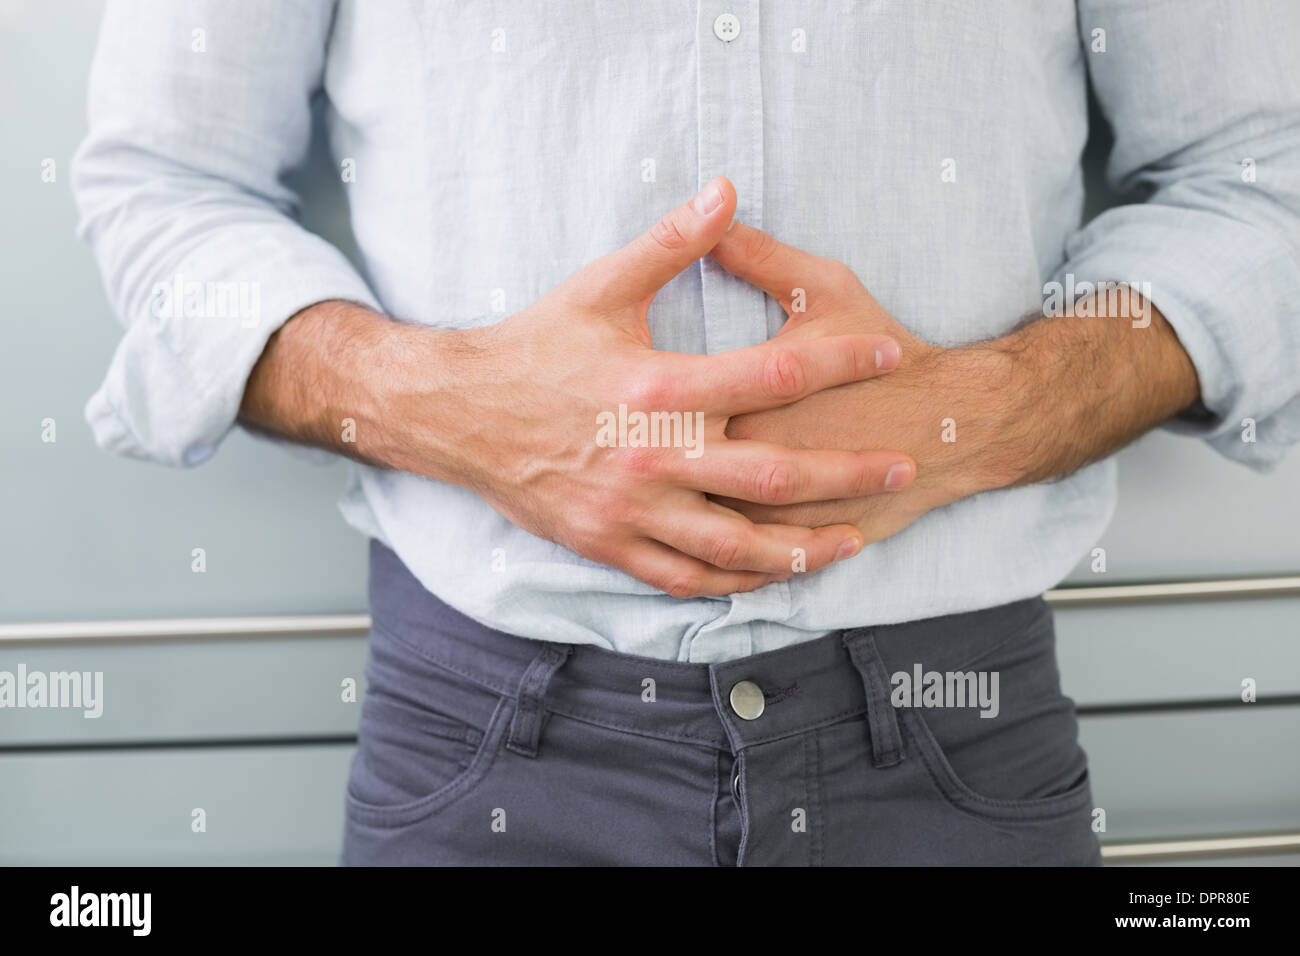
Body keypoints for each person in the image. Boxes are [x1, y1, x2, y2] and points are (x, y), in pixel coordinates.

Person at [73, 1, 1300, 865]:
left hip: (950, 723)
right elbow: (168, 181)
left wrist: (970, 418)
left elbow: (1263, 178)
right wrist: (467, 410)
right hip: (486, 725)